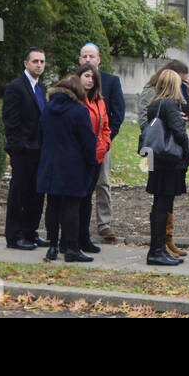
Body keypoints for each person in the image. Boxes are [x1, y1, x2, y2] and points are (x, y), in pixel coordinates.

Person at [37, 75, 98, 263]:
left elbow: (41, 134)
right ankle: (71, 248)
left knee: (53, 206)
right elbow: (88, 142)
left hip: (50, 164)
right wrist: (92, 163)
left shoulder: (48, 109)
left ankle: (53, 245)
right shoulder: (79, 111)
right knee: (72, 207)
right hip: (73, 165)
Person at [140, 70, 189, 265]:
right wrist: (186, 156)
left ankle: (159, 248)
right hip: (169, 161)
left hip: (156, 158)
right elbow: (180, 133)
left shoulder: (154, 103)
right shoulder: (169, 105)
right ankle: (157, 251)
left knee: (160, 204)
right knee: (163, 205)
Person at [2, 47, 49, 251]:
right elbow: (11, 121)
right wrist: (18, 147)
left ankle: (31, 231)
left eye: (42, 62)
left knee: (36, 194)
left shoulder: (41, 88)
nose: (39, 65)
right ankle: (15, 234)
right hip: (23, 150)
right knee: (19, 192)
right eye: (35, 61)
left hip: (39, 150)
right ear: (26, 63)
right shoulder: (16, 87)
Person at [79, 44, 124, 244]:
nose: (87, 59)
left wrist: (106, 140)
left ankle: (104, 224)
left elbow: (118, 114)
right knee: (77, 183)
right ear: (80, 60)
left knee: (102, 183)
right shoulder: (73, 81)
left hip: (101, 144)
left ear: (99, 59)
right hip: (77, 146)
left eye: (91, 56)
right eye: (84, 56)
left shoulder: (111, 82)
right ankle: (78, 224)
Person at [72, 63, 111, 254]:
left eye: (92, 77)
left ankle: (84, 237)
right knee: (75, 199)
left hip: (96, 157)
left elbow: (105, 127)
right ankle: (72, 239)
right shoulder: (74, 101)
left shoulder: (99, 101)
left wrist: (105, 146)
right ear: (78, 77)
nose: (89, 80)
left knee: (87, 199)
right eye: (86, 76)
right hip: (78, 157)